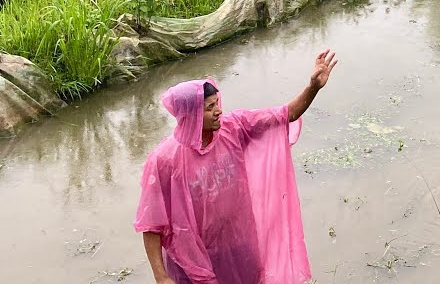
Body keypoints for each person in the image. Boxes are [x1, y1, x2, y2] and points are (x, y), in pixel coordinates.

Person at [135, 50, 338, 284]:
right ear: (191, 115)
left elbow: (286, 114)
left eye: (217, 103)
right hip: (193, 260)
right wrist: (161, 277)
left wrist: (313, 87)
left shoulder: (233, 128)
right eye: (210, 107)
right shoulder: (164, 160)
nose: (219, 110)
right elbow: (151, 224)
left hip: (239, 244)